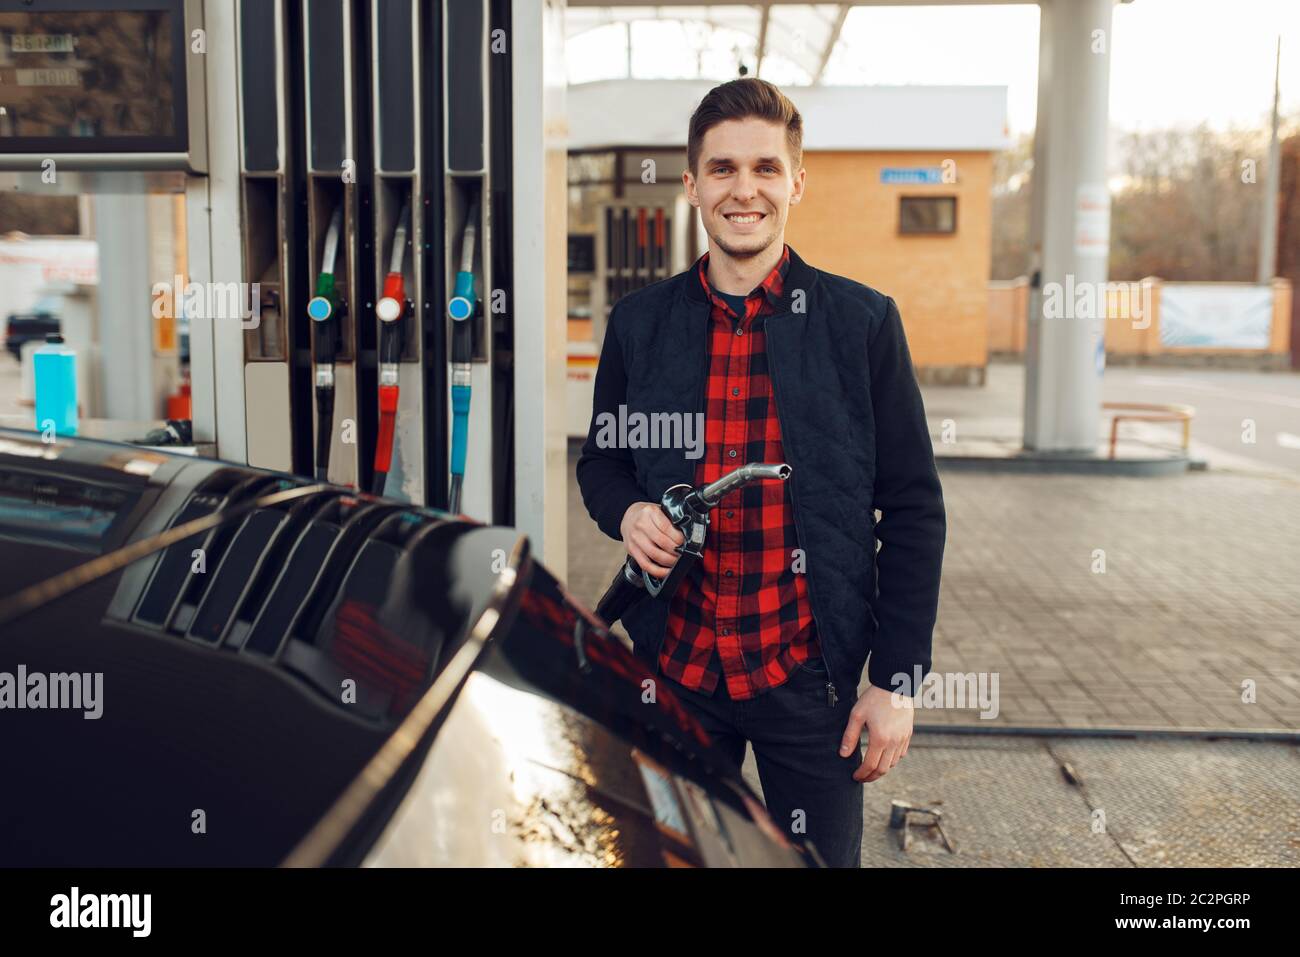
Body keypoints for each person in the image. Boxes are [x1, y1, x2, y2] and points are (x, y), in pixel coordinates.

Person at [576, 77, 946, 868]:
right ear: (692, 186)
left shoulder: (862, 323)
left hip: (809, 683)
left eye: (765, 168)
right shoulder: (640, 325)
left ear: (796, 183)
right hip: (675, 670)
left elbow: (914, 509)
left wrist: (897, 680)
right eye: (722, 170)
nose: (744, 190)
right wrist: (630, 512)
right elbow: (601, 461)